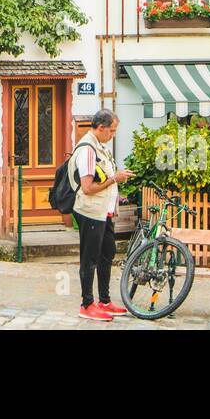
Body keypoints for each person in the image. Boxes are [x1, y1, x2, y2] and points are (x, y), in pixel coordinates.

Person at [71, 109, 133, 322]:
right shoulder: (87, 150)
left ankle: (104, 301)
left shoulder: (101, 148)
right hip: (90, 211)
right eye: (112, 130)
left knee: (107, 253)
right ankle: (87, 304)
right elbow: (87, 187)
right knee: (89, 259)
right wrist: (115, 179)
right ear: (101, 127)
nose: (113, 134)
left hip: (104, 211)